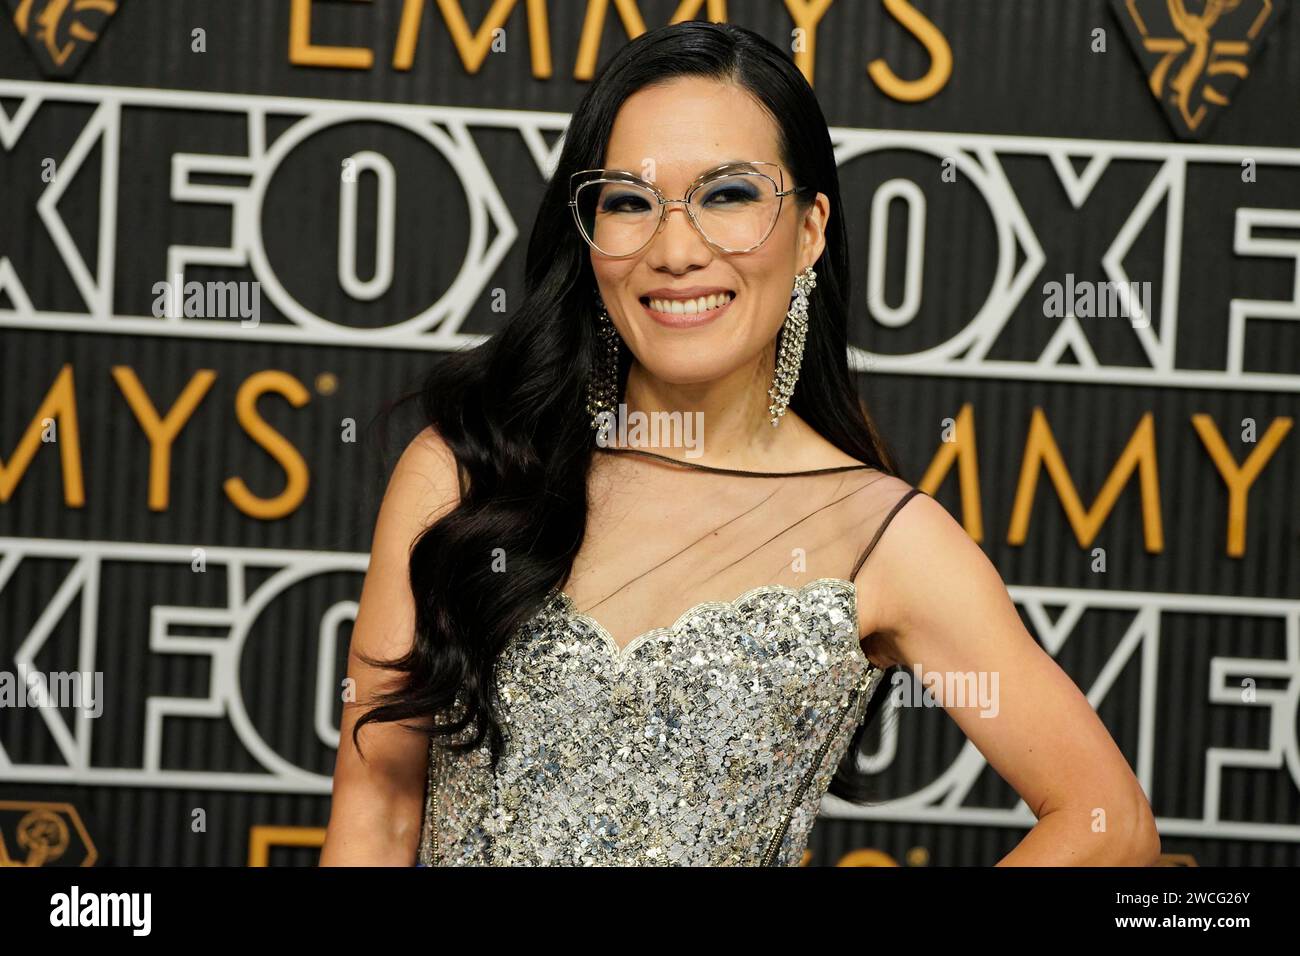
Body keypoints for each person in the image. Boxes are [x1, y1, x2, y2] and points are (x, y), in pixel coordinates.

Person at [319, 21, 1160, 867]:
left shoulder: (880, 537)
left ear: (810, 231)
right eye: (630, 201)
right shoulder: (465, 469)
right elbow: (379, 803)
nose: (676, 250)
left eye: (729, 195)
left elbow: (1108, 822)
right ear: (591, 234)